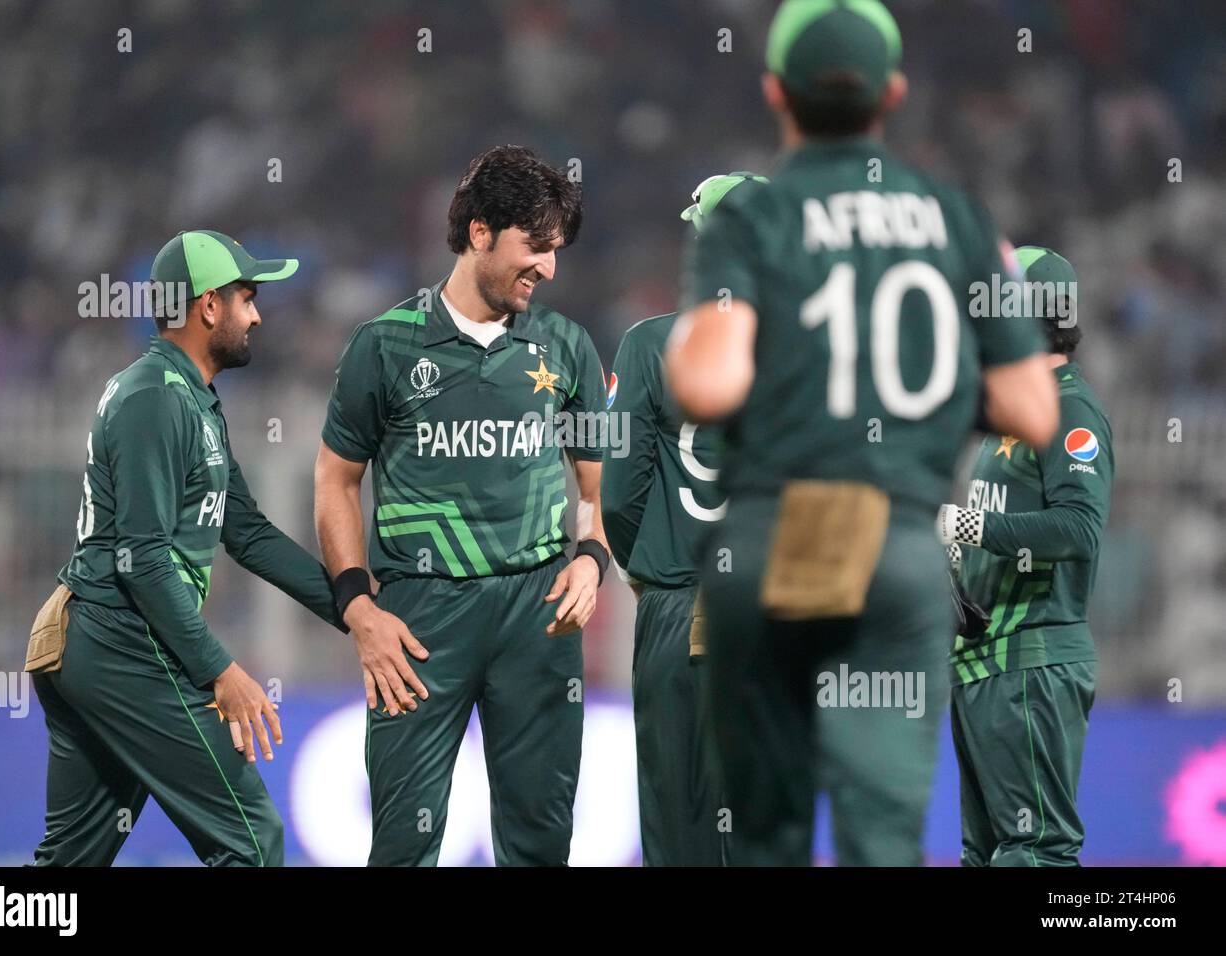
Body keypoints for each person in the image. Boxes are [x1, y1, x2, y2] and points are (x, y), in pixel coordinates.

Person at [665, 0, 1059, 865]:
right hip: (896, 544)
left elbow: (707, 381)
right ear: (894, 94)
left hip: (771, 538)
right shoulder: (958, 219)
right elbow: (1033, 410)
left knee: (763, 840)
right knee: (881, 840)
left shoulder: (751, 218)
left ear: (776, 91)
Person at [314, 145, 609, 866]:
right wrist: (358, 608)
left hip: (538, 612)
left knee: (540, 843)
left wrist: (591, 560)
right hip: (420, 620)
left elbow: (596, 492)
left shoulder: (567, 347)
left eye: (556, 251)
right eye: (535, 246)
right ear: (480, 232)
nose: (548, 268)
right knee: (403, 844)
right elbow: (335, 481)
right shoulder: (383, 346)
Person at [30, 230, 346, 866]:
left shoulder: (189, 395)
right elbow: (141, 559)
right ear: (208, 306)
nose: (256, 316)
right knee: (252, 842)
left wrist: (356, 609)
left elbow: (247, 532)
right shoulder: (155, 397)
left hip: (101, 639)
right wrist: (220, 671)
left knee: (68, 865)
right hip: (121, 637)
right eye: (247, 299)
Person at [602, 172, 767, 866]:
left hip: (680, 603)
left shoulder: (650, 345)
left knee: (679, 826)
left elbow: (618, 494)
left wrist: (652, 569)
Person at [940, 247, 1112, 866]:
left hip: (1030, 661)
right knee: (985, 852)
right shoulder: (1014, 407)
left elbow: (1079, 528)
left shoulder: (1070, 409)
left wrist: (969, 525)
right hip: (984, 659)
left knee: (1036, 848)